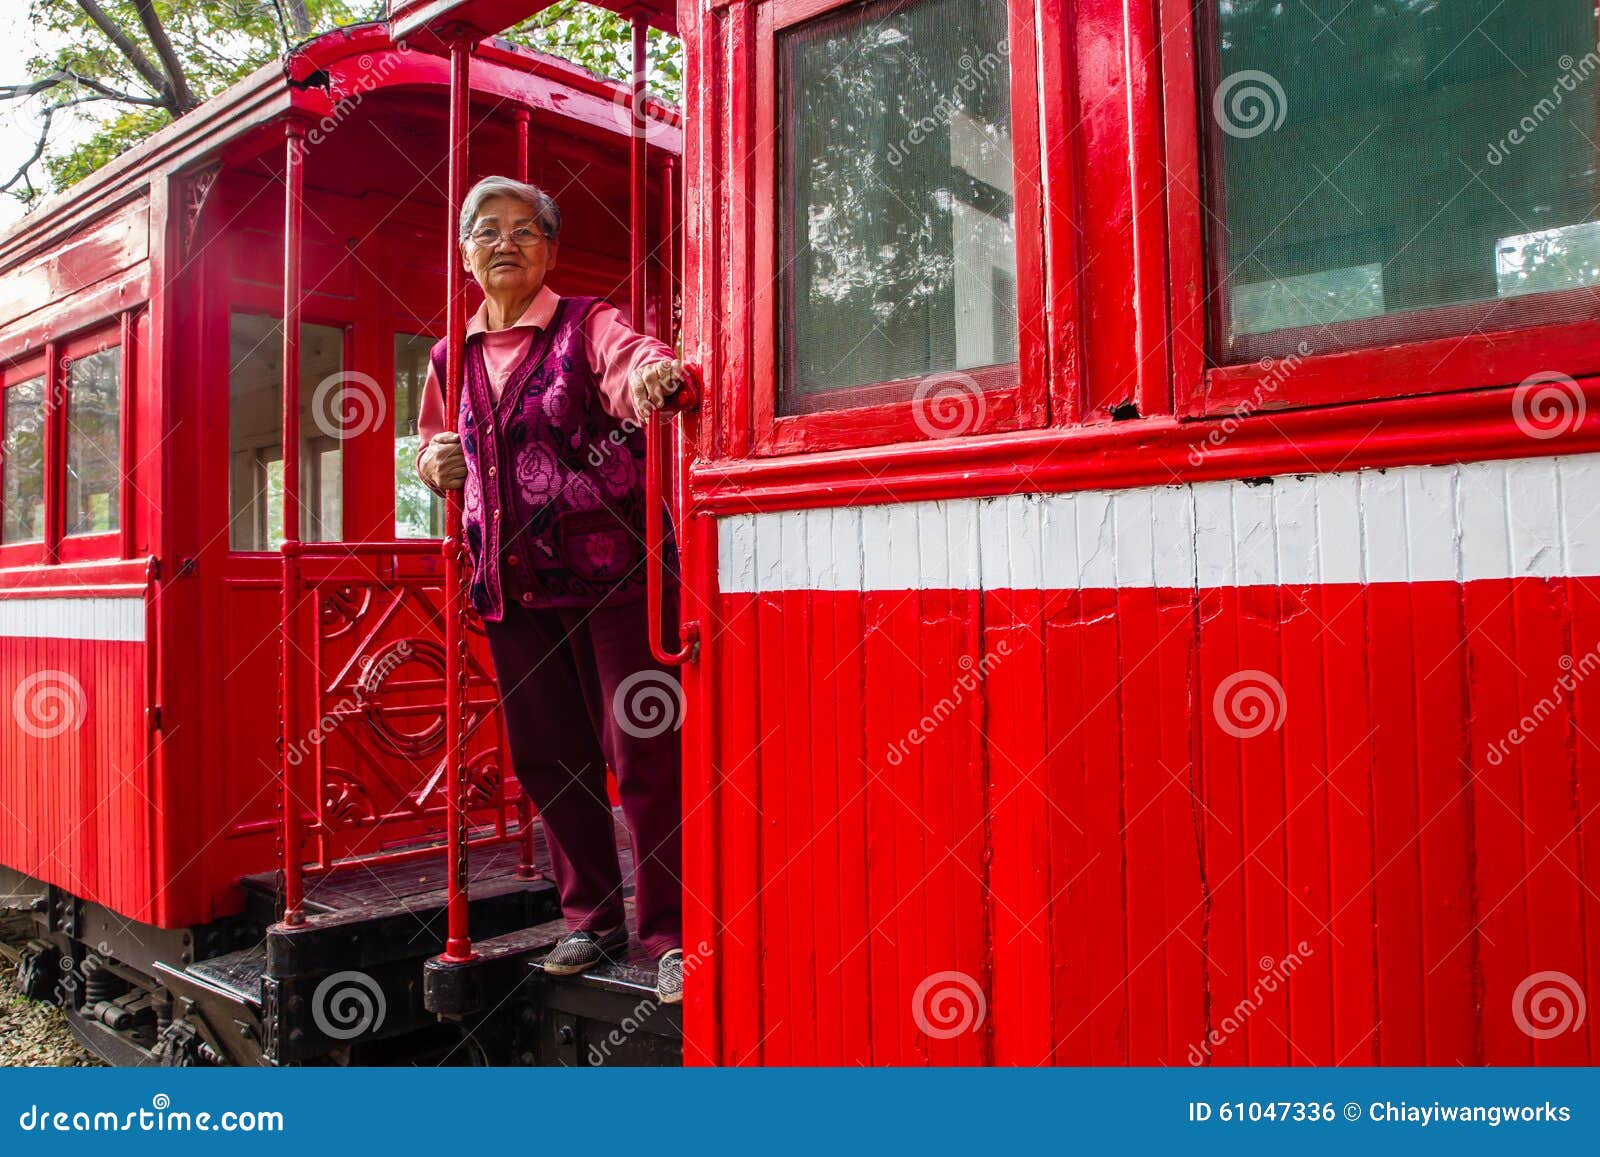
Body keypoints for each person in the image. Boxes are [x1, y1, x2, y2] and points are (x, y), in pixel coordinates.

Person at [415, 175, 689, 1003]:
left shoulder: (586, 323)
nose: (505, 242)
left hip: (616, 579)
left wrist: (653, 377)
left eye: (525, 230)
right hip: (512, 587)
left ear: (550, 249)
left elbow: (631, 364)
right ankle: (592, 917)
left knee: (644, 753)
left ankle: (673, 932)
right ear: (466, 252)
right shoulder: (450, 356)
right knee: (550, 759)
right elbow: (436, 442)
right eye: (488, 230)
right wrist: (432, 462)